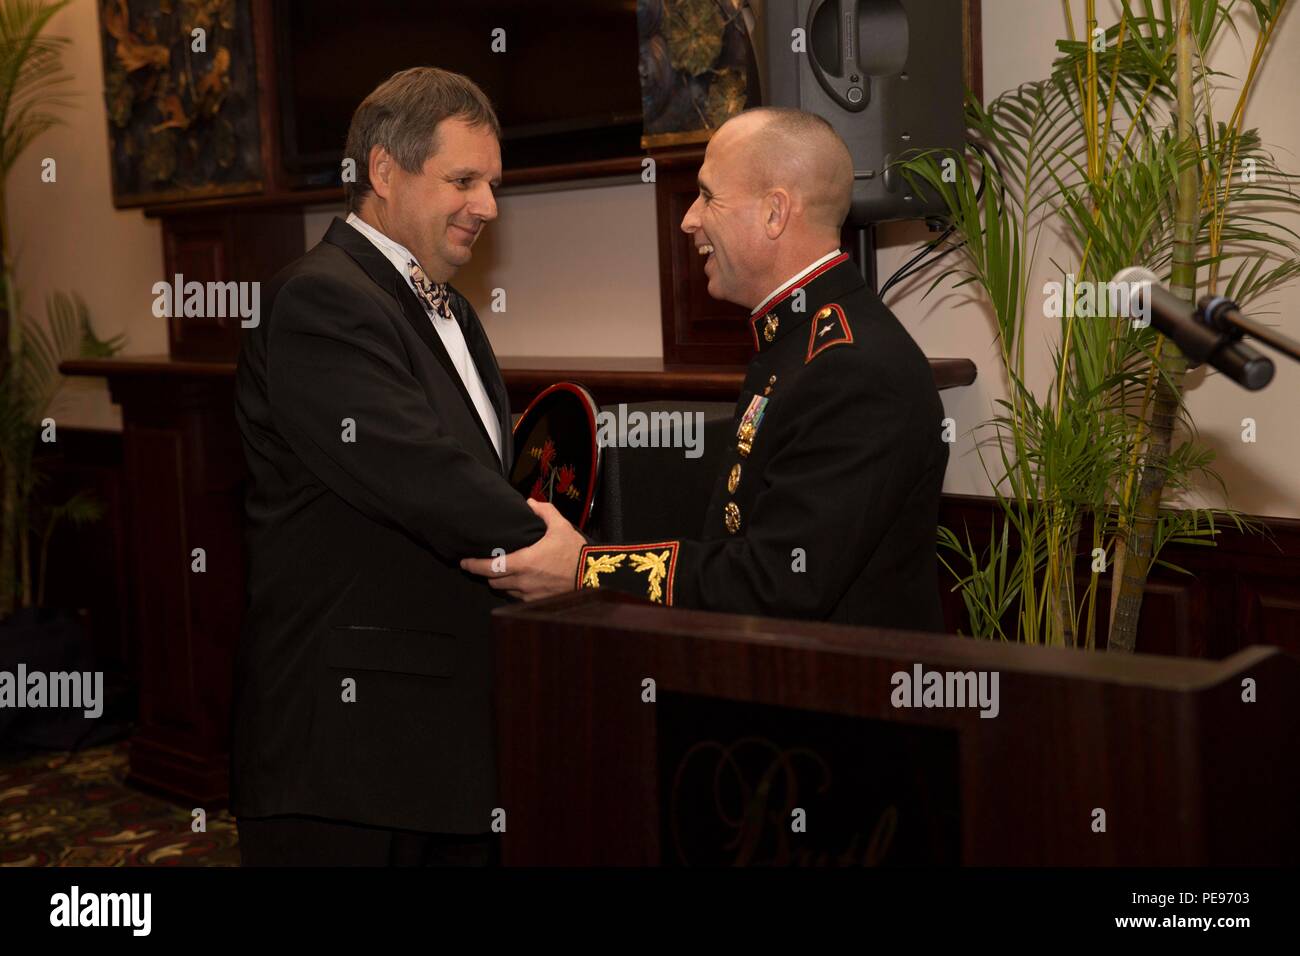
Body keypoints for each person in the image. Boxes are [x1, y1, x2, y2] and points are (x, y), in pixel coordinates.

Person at [463, 108, 949, 632]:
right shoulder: (797, 342)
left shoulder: (853, 369)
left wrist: (587, 569)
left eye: (708, 196)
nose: (689, 218)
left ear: (774, 213)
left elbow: (778, 582)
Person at [232, 67, 551, 865]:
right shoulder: (321, 299)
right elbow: (423, 474)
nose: (488, 206)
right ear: (382, 171)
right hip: (350, 754)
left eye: (493, 183)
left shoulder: (447, 306)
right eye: (464, 179)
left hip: (433, 735)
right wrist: (575, 560)